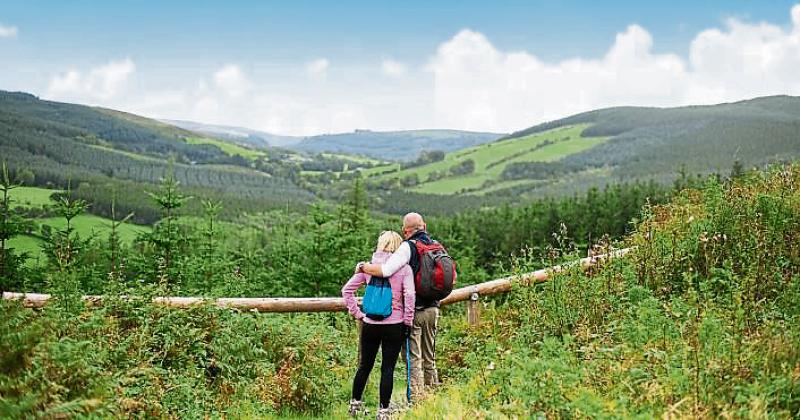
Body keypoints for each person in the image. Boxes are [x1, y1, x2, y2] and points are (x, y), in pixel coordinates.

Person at [357, 212, 440, 399]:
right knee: (430, 356)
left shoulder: (407, 247)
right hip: (434, 309)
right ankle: (434, 397)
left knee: (413, 359)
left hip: (416, 312)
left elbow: (386, 270)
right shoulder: (435, 245)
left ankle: (418, 400)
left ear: (405, 231)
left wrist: (363, 267)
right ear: (424, 226)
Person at [342, 231, 415, 419]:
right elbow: (409, 295)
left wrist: (358, 314)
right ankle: (383, 412)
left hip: (370, 324)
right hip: (395, 324)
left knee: (364, 365)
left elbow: (347, 291)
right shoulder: (404, 269)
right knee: (387, 368)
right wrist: (407, 320)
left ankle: (355, 406)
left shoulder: (369, 268)